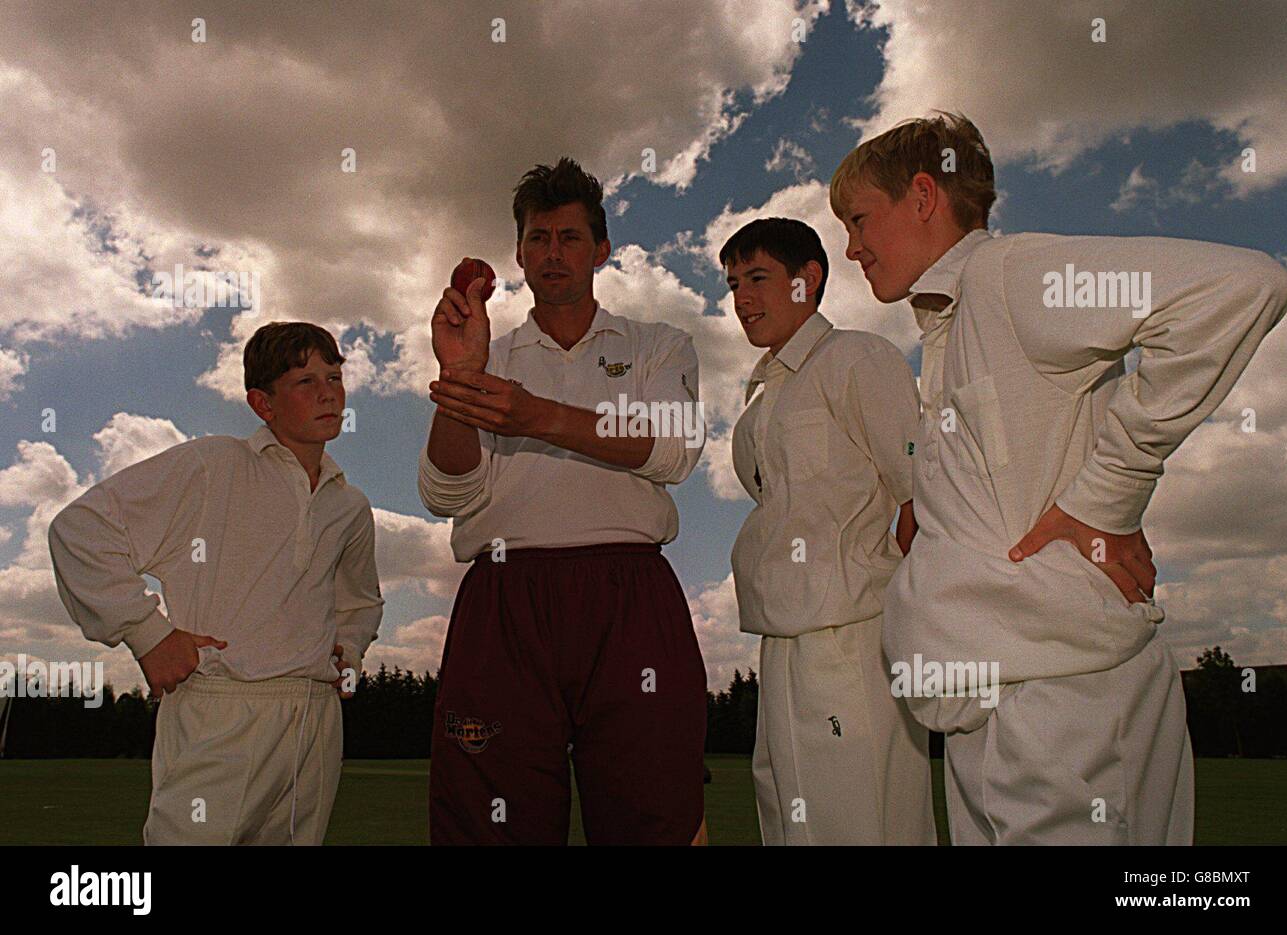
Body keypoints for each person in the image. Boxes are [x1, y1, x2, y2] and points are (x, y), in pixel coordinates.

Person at [829, 111, 1287, 844]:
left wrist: (1109, 498)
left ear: (922, 195)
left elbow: (1244, 286)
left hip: (1051, 703)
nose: (851, 246)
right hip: (1028, 689)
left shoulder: (1008, 276)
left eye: (859, 219)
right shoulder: (956, 319)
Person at [420, 157, 708, 845]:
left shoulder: (658, 344)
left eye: (570, 237)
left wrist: (538, 416)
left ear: (600, 249)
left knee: (655, 812)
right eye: (538, 237)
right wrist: (460, 377)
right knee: (492, 822)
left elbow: (673, 450)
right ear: (519, 252)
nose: (553, 252)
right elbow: (445, 491)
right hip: (505, 596)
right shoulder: (490, 353)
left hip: (630, 592)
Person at [48, 321, 384, 845]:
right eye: (304, 381)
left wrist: (351, 647)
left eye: (334, 377)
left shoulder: (350, 505)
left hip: (315, 720)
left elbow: (359, 601)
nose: (327, 393)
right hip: (222, 708)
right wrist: (147, 633)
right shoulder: (212, 465)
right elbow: (80, 529)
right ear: (262, 404)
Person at [723, 217, 935, 845]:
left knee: (864, 822)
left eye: (758, 278)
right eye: (734, 283)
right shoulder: (761, 402)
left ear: (806, 281)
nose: (741, 299)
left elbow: (922, 492)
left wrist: (879, 591)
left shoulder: (857, 357)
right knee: (793, 824)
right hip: (782, 638)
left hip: (854, 640)